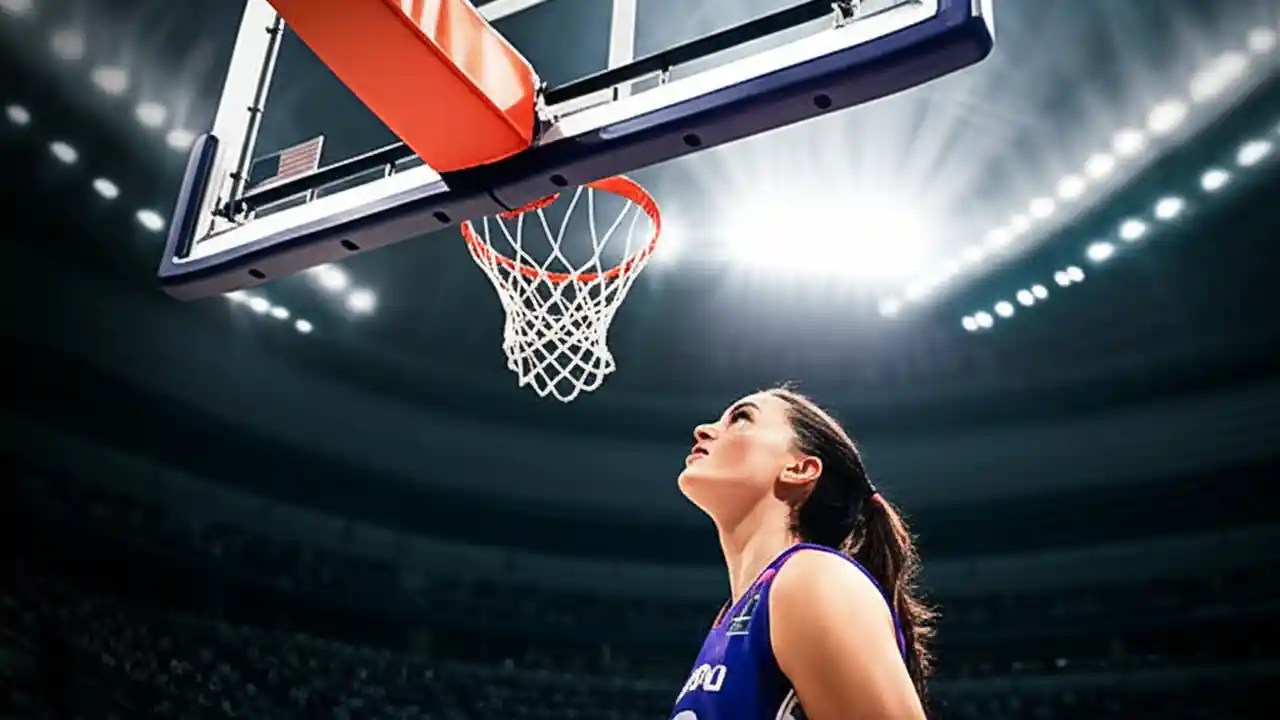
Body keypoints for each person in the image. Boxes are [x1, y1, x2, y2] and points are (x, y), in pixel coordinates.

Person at [669, 387, 936, 720]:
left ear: (798, 469)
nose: (703, 430)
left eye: (741, 418)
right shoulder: (731, 618)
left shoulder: (812, 578)